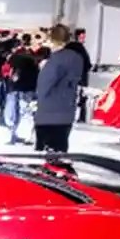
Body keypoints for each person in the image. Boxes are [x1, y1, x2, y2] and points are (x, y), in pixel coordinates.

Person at [34, 24, 86, 153]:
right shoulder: (77, 58)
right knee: (61, 151)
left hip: (48, 113)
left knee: (46, 155)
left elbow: (45, 85)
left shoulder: (56, 60)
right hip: (67, 111)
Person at [5, 44, 39, 145]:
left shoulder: (18, 66)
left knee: (15, 115)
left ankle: (15, 136)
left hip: (18, 91)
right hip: (29, 91)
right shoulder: (32, 65)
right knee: (27, 114)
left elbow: (14, 78)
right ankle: (27, 137)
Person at [67, 28, 93, 123]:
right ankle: (80, 117)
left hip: (72, 76)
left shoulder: (70, 47)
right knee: (81, 96)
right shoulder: (78, 48)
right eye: (82, 37)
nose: (83, 39)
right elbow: (87, 63)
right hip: (79, 77)